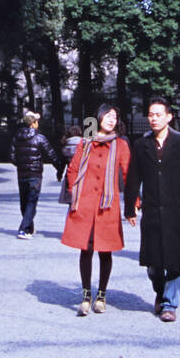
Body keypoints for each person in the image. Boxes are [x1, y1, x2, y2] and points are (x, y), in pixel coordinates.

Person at [124, 98, 180, 323]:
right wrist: (130, 207)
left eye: (158, 114)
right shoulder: (141, 145)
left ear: (169, 117)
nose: (153, 118)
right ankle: (159, 291)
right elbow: (133, 177)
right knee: (153, 262)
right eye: (150, 114)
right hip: (152, 209)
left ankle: (169, 303)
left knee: (175, 259)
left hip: (176, 210)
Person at [60, 104, 132, 315]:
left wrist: (133, 203)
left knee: (105, 251)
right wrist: (74, 192)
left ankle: (101, 294)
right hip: (85, 204)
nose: (111, 120)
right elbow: (73, 168)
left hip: (107, 205)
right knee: (86, 249)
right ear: (99, 118)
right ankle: (85, 295)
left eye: (115, 117)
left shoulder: (120, 145)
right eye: (108, 116)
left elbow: (128, 174)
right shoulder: (86, 142)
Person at [9, 110, 62, 239]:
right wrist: (60, 167)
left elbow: (11, 156)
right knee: (31, 201)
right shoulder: (40, 137)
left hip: (22, 173)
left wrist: (21, 165)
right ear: (33, 123)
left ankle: (29, 228)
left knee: (24, 201)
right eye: (37, 121)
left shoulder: (17, 136)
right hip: (35, 173)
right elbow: (51, 154)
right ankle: (23, 229)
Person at [57, 123, 83, 206]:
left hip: (69, 176)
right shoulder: (84, 145)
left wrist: (59, 174)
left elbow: (62, 163)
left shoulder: (65, 146)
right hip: (82, 175)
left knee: (71, 201)